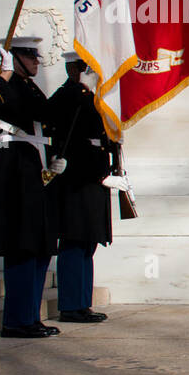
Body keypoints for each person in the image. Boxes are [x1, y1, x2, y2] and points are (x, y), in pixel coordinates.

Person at [0, 36, 66, 339]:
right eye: (30, 57)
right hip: (17, 169)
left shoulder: (29, 86)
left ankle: (30, 316)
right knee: (22, 246)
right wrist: (75, 91)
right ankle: (16, 320)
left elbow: (47, 120)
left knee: (39, 246)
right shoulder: (7, 87)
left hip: (34, 166)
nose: (36, 62)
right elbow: (37, 113)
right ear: (14, 58)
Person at [49, 53, 113, 323]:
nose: (93, 72)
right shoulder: (67, 96)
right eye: (88, 68)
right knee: (74, 241)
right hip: (76, 181)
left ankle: (82, 302)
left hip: (93, 179)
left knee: (88, 242)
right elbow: (69, 142)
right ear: (73, 69)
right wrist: (99, 174)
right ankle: (71, 305)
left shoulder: (91, 97)